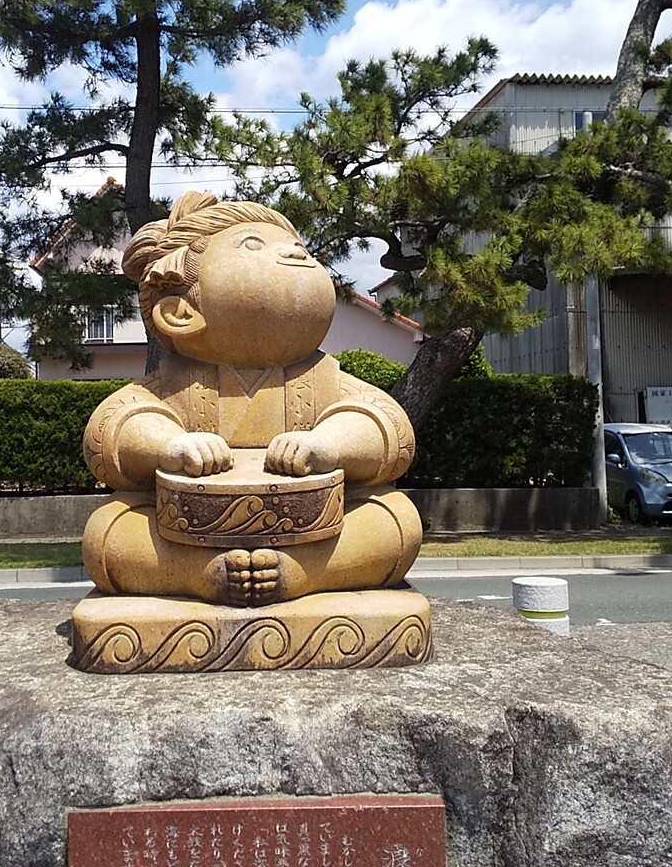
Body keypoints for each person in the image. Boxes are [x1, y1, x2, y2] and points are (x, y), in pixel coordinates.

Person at [82, 192, 422, 606]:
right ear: (180, 313)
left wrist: (331, 444)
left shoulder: (323, 379)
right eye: (253, 245)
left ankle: (305, 573)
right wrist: (168, 446)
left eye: (300, 248)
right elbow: (113, 429)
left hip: (315, 528)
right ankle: (199, 576)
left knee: (394, 519)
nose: (297, 254)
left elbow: (385, 425)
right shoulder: (173, 386)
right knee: (109, 530)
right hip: (189, 531)